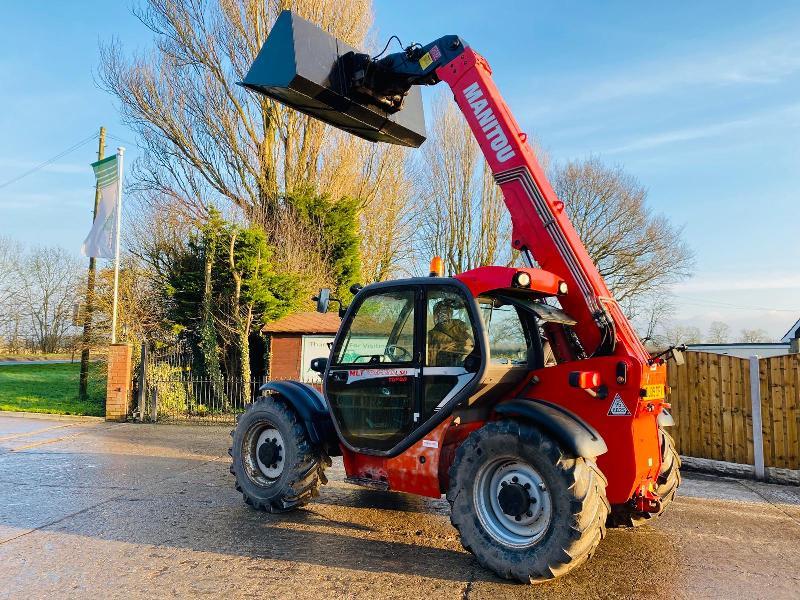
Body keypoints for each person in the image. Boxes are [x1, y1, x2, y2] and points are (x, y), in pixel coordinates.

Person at [428, 299, 474, 366]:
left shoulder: (432, 336)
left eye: (439, 313)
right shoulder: (465, 332)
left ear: (435, 316)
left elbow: (430, 366)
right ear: (450, 315)